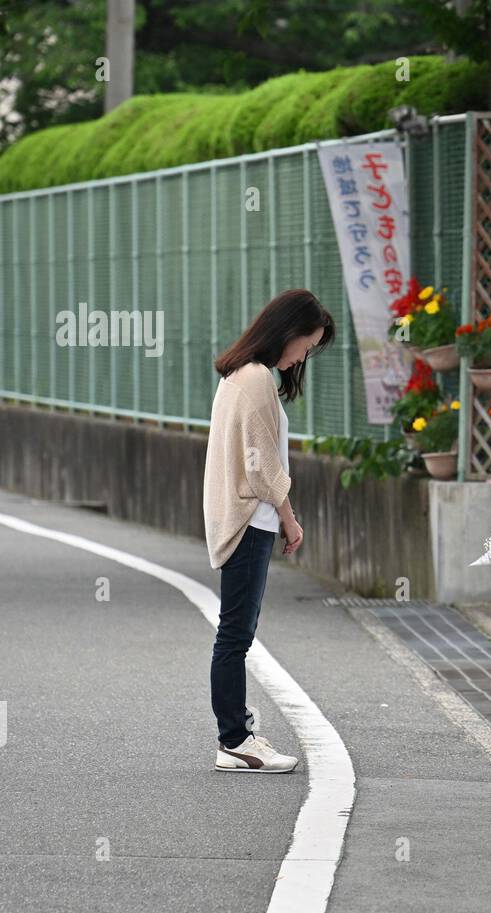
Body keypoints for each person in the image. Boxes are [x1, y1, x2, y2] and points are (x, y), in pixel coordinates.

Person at [202, 289, 334, 772]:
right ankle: (234, 739)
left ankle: (235, 733)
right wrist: (290, 516)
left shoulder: (239, 375)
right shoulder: (256, 379)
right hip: (249, 517)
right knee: (235, 635)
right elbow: (263, 467)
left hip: (239, 514)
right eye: (305, 345)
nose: (303, 356)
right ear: (288, 333)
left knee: (235, 632)